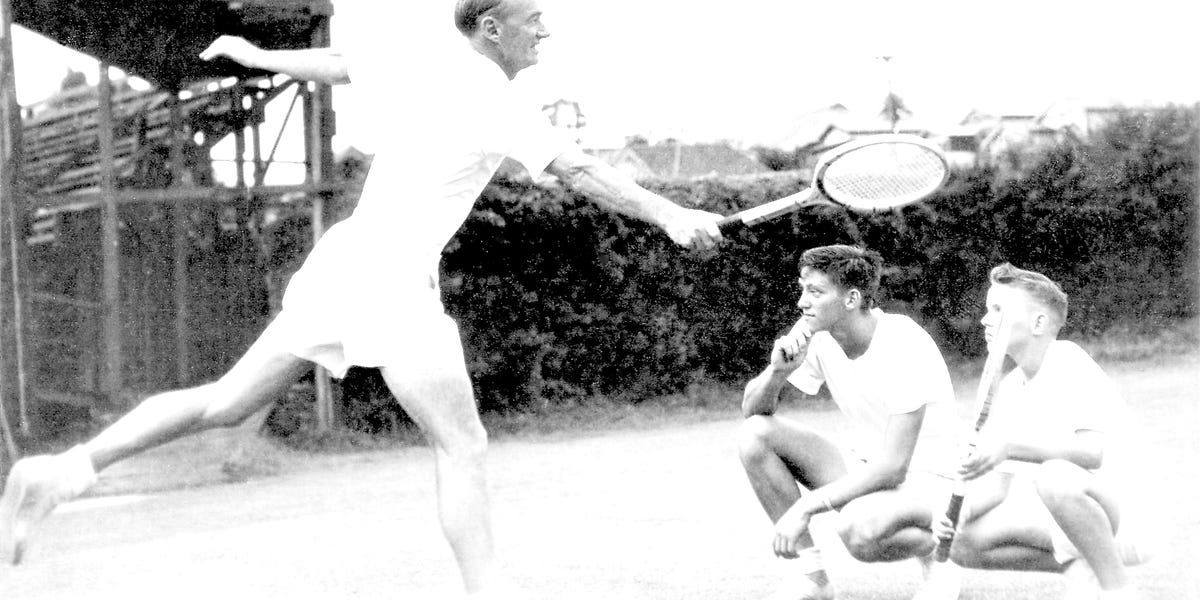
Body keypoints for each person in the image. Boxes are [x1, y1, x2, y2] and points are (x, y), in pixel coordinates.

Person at [0, 1, 724, 597]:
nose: (546, 29)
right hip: (389, 277)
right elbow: (582, 169)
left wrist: (257, 58)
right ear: (490, 28)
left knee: (226, 401)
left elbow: (341, 65)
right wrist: (672, 215)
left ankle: (64, 469)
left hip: (349, 261)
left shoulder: (427, 67)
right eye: (533, 18)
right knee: (462, 445)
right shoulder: (491, 96)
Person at [738, 244, 963, 600]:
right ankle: (811, 577)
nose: (802, 302)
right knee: (755, 435)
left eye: (815, 292)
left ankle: (941, 554)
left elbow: (893, 470)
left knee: (860, 533)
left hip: (931, 482)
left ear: (852, 299)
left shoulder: (904, 344)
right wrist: (777, 373)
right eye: (803, 290)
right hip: (866, 468)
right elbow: (752, 410)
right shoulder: (815, 333)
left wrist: (806, 506)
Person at [930, 263, 1153, 600]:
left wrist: (1009, 447)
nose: (985, 320)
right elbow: (995, 488)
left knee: (1054, 477)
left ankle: (1117, 589)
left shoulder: (1068, 360)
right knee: (963, 543)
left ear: (1038, 323)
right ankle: (1084, 571)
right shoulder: (1009, 388)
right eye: (987, 310)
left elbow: (1091, 453)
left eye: (998, 310)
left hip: (1127, 523)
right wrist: (957, 515)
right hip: (1072, 526)